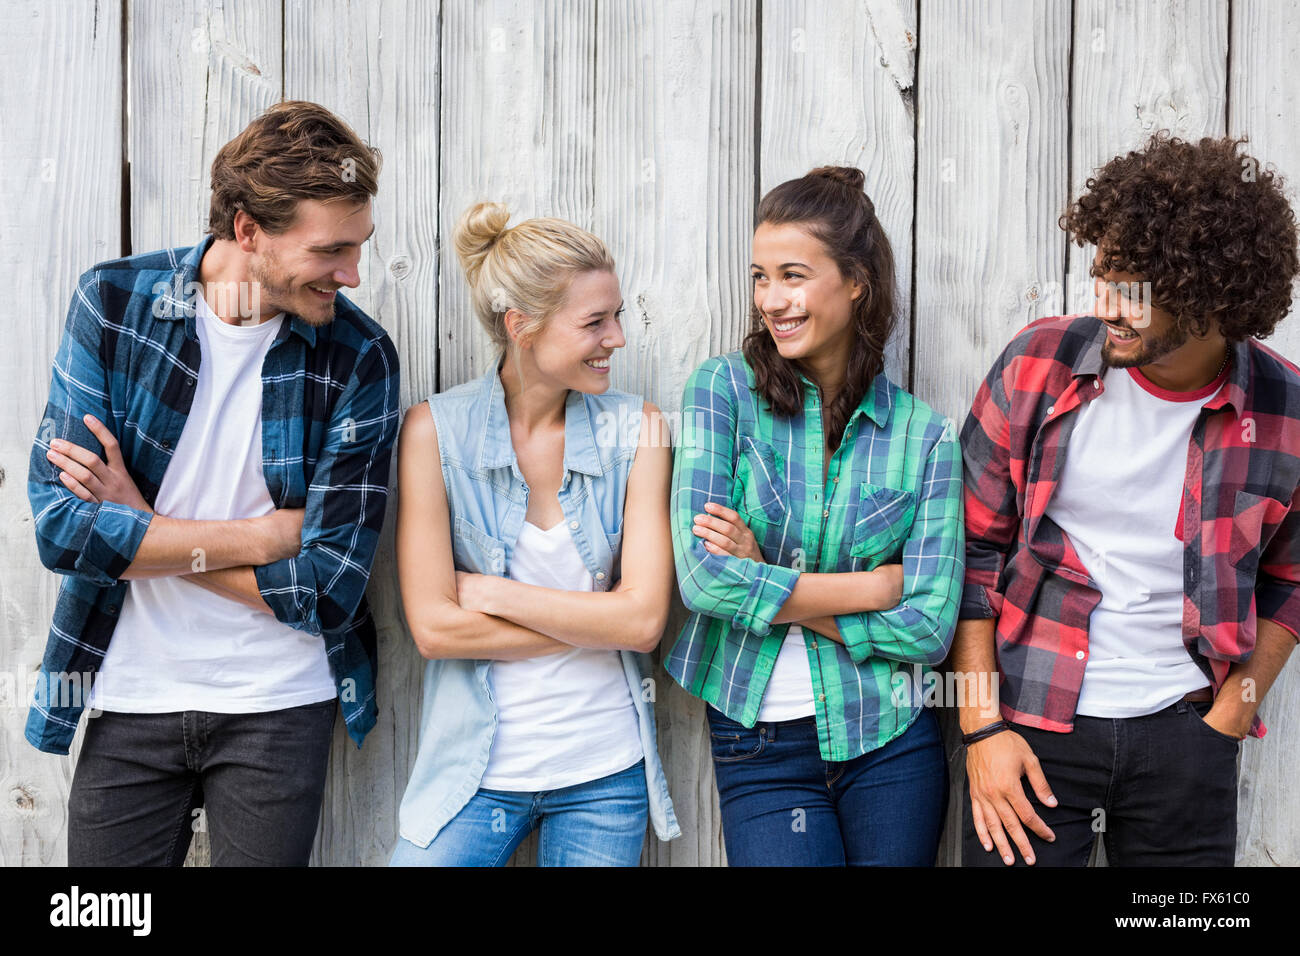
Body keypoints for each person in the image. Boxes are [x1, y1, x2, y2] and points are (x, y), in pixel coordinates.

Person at [25, 101, 399, 865]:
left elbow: (327, 586)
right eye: (331, 250)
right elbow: (62, 531)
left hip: (278, 702)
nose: (352, 274)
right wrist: (265, 536)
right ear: (248, 230)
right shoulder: (115, 304)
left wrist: (140, 524)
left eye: (358, 248)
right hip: (128, 689)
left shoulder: (361, 357)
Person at [956, 132, 1300, 867]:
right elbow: (971, 550)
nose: (1105, 303)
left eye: (1132, 288)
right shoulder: (1036, 367)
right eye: (1102, 275)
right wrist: (982, 728)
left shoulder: (1284, 410)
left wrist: (1229, 720)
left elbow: (1293, 580)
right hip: (1031, 725)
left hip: (1187, 734)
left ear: (1207, 292)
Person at [667, 166, 963, 866]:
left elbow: (927, 629)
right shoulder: (722, 393)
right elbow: (703, 580)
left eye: (793, 275)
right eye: (760, 277)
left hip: (890, 740)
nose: (772, 299)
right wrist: (870, 589)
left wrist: (763, 578)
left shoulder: (924, 437)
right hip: (760, 745)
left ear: (856, 281)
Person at [390, 202, 680, 867]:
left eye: (617, 317)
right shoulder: (434, 432)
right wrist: (595, 622)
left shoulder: (640, 430)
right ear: (521, 326)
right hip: (473, 770)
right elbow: (435, 632)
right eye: (594, 322)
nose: (617, 338)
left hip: (604, 773)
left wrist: (490, 592)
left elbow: (642, 624)